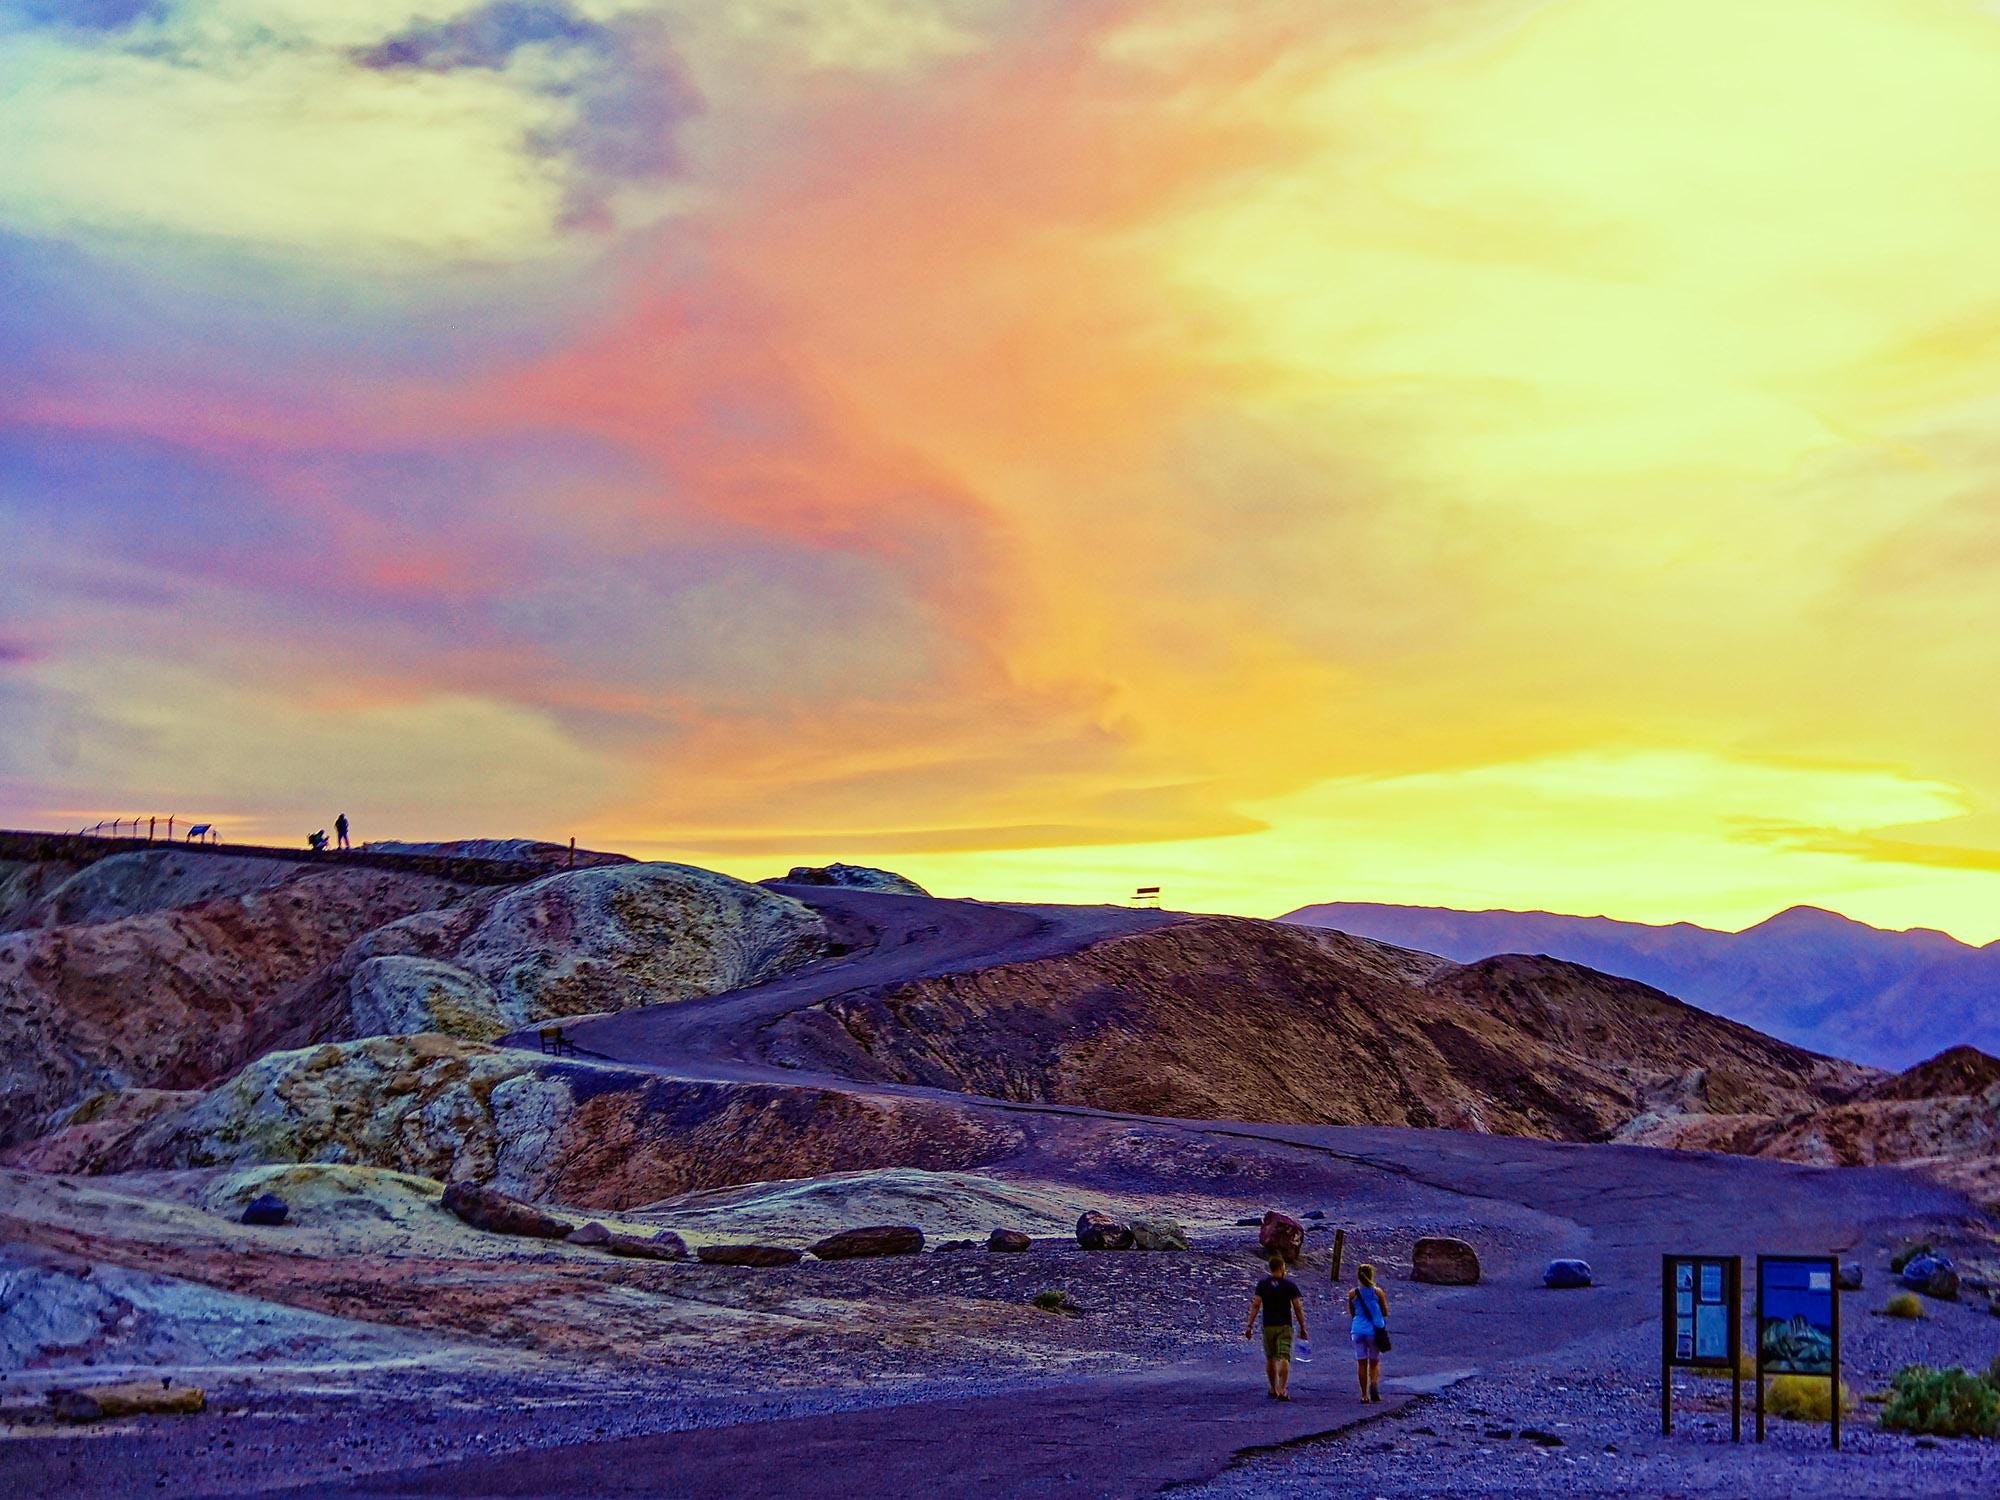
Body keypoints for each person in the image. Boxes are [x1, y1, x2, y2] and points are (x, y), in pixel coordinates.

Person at [1244, 1252, 1308, 1401]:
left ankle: (1273, 1388)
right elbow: (1297, 1307)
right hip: (1285, 1325)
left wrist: (1249, 1325)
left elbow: (1256, 1305)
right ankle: (1283, 1388)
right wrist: (1303, 1326)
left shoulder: (1263, 1285)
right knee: (1284, 1356)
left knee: (1270, 1358)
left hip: (1268, 1325)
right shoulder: (1289, 1286)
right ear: (1281, 1267)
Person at [1348, 1262, 1390, 1402]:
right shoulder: (1377, 1292)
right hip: (1374, 1331)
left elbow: (1352, 1312)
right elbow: (1385, 1311)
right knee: (1374, 1361)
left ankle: (1364, 1395)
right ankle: (1374, 1384)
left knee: (1361, 1363)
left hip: (1358, 1329)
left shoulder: (1353, 1293)